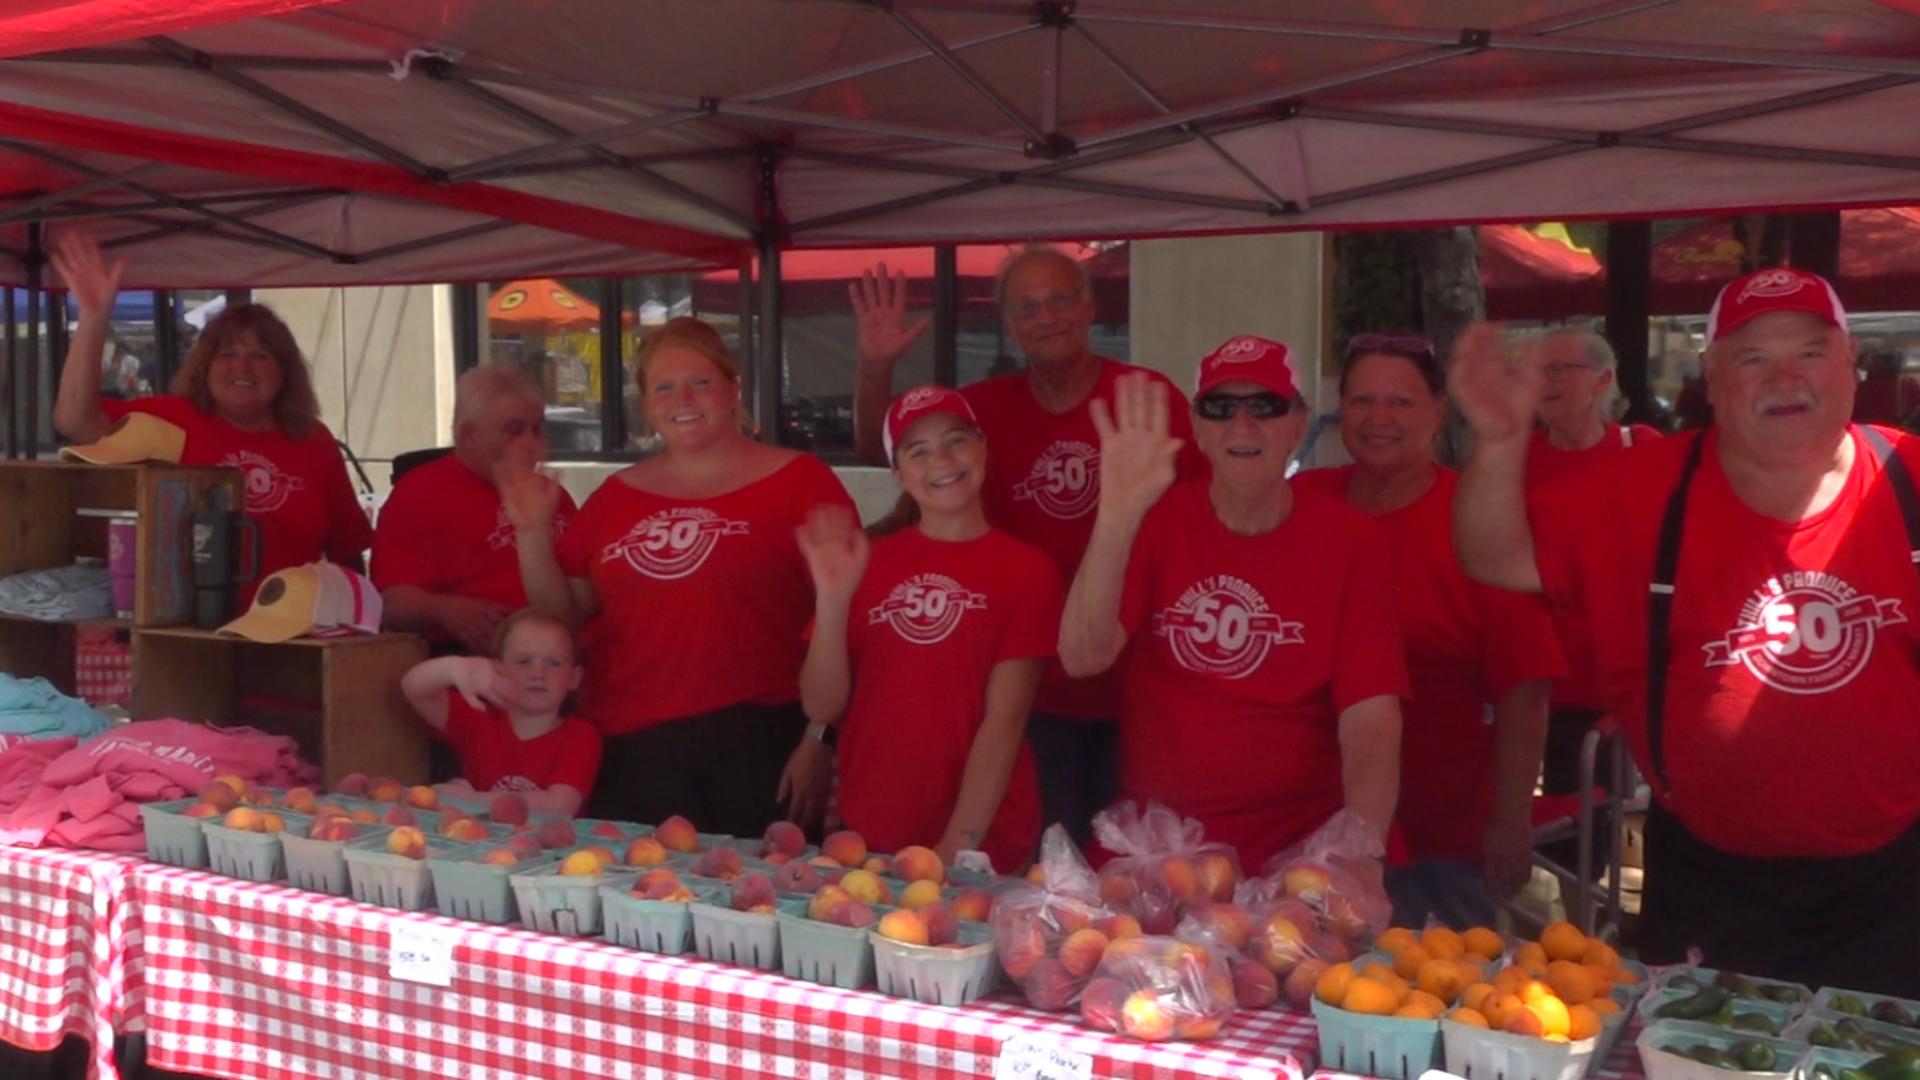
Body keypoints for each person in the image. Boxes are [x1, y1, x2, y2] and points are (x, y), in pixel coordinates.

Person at [1452, 267, 1920, 995]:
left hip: (1894, 879)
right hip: (1709, 877)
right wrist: (1502, 437)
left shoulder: (1912, 480)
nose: (1786, 377)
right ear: (1712, 376)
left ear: (1851, 361)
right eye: (1754, 357)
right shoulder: (1643, 491)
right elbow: (1494, 555)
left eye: (1810, 350)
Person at [850, 246, 1206, 849]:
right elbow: (880, 449)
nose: (1046, 317)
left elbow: (1199, 525)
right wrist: (875, 368)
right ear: (1010, 324)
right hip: (1027, 692)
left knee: (1134, 876)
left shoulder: (1148, 400)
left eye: (1061, 299)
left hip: (1140, 686)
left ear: (1091, 306)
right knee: (1050, 873)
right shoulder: (984, 411)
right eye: (1028, 307)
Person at [1058, 337, 1406, 871]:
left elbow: (1370, 719)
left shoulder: (1352, 542)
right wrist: (1117, 513)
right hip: (1161, 850)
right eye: (1220, 408)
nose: (1242, 424)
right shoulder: (1156, 519)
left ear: (1298, 423)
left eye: (1264, 405)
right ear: (1197, 428)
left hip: (1300, 850)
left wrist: (1361, 853)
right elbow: (1083, 656)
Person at [504, 317, 855, 835]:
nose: (682, 399)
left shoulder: (802, 481)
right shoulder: (614, 497)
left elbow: (846, 624)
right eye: (663, 387)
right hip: (631, 745)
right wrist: (531, 535)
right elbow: (566, 621)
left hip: (761, 743)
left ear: (733, 388)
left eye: (701, 382)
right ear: (646, 404)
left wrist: (820, 739)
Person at [1292, 333, 1563, 928]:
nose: (1379, 418)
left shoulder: (1475, 520)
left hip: (1440, 836)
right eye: (1364, 401)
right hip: (1305, 828)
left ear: (1438, 412)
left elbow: (1526, 686)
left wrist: (1511, 819)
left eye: (1400, 402)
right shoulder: (1302, 502)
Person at [795, 387, 1058, 872]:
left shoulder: (1027, 569)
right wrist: (831, 601)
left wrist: (957, 847)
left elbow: (1005, 720)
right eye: (918, 450)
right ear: (898, 472)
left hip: (980, 843)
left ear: (982, 447)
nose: (942, 460)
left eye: (956, 440)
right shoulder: (866, 558)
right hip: (871, 831)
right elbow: (822, 705)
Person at [50, 233, 371, 608]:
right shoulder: (171, 421)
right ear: (204, 368)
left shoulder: (313, 439)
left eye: (261, 355)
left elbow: (348, 553)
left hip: (291, 637)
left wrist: (360, 621)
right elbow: (75, 421)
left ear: (285, 372)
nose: (243, 366)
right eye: (228, 353)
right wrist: (93, 317)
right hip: (187, 634)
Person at [1524, 330, 1662, 825]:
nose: (1545, 380)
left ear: (1603, 380)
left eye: (1561, 369)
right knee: (1559, 823)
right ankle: (1574, 905)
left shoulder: (1641, 450)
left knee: (1611, 818)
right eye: (1538, 369)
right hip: (1539, 675)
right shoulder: (1514, 458)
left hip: (1617, 674)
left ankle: (1600, 902)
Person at [372, 364, 576, 654]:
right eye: (515, 431)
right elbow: (390, 603)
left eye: (537, 429)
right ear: (468, 435)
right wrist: (444, 609)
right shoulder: (420, 493)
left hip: (556, 653)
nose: (532, 444)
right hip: (469, 657)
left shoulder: (552, 494)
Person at [399, 608, 601, 817]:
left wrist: (473, 800)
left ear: (574, 678)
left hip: (553, 847)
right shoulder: (476, 718)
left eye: (554, 663)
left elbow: (560, 806)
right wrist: (454, 667)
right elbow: (414, 689)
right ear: (496, 668)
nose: (538, 673)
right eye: (524, 661)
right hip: (480, 843)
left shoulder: (580, 735)